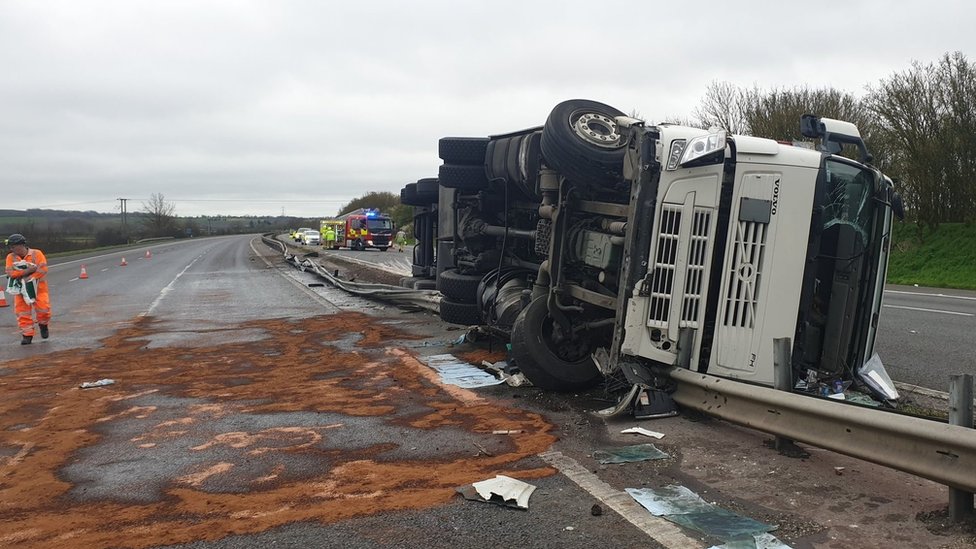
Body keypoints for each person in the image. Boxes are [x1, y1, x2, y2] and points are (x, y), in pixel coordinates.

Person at [4, 234, 50, 345]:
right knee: (22, 312)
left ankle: (43, 325)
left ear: (22, 245)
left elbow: (42, 269)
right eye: (11, 247)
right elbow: (10, 273)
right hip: (20, 291)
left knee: (44, 310)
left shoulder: (37, 254)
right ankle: (27, 335)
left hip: (39, 289)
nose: (12, 249)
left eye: (13, 246)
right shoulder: (10, 257)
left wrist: (29, 278)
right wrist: (27, 271)